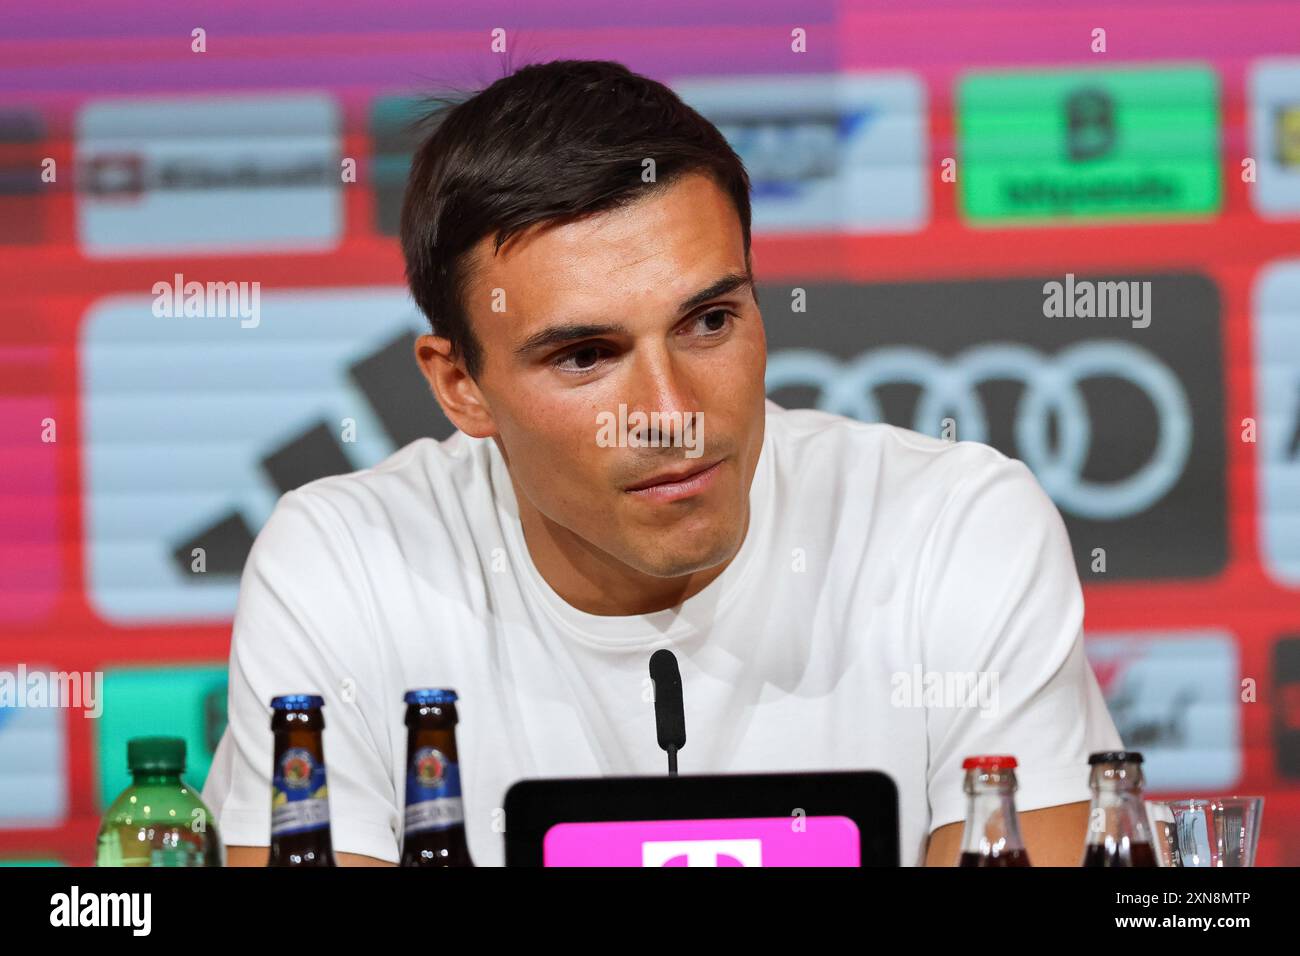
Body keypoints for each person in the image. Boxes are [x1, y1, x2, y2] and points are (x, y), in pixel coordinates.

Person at [202, 59, 1122, 867]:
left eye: (709, 322)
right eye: (586, 356)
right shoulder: (345, 565)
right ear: (460, 386)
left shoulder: (956, 528)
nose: (674, 416)